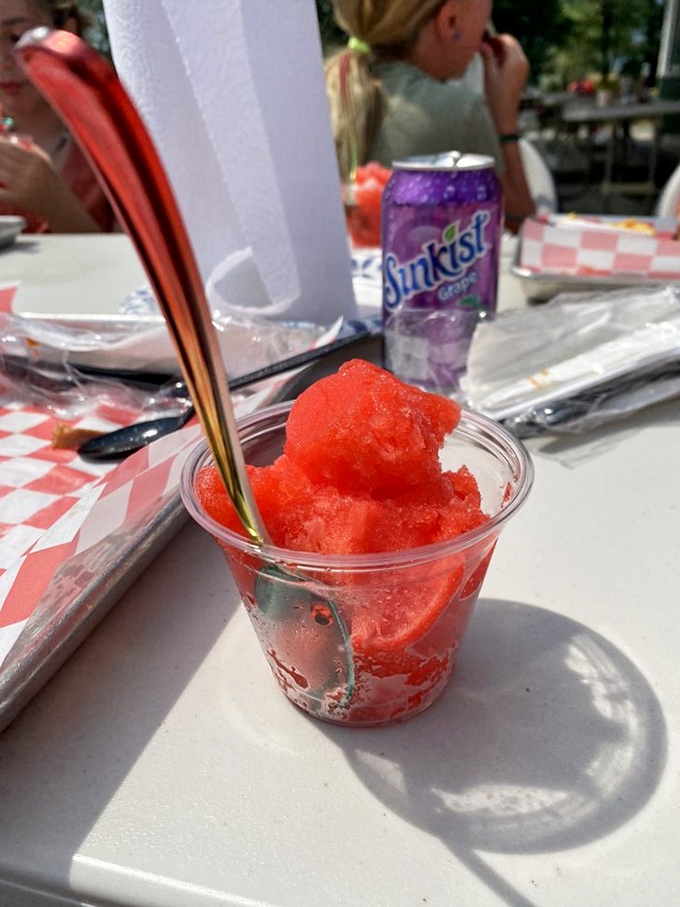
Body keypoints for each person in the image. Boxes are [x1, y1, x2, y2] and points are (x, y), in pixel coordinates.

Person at [325, 0, 535, 228]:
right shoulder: (460, 113)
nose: (480, 47)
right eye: (484, 29)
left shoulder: (322, 88)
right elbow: (520, 226)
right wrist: (504, 119)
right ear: (450, 21)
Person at [0, 0, 116, 232]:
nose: (3, 62)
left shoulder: (114, 140)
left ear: (66, 32)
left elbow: (133, 265)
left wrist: (56, 205)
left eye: (16, 37)